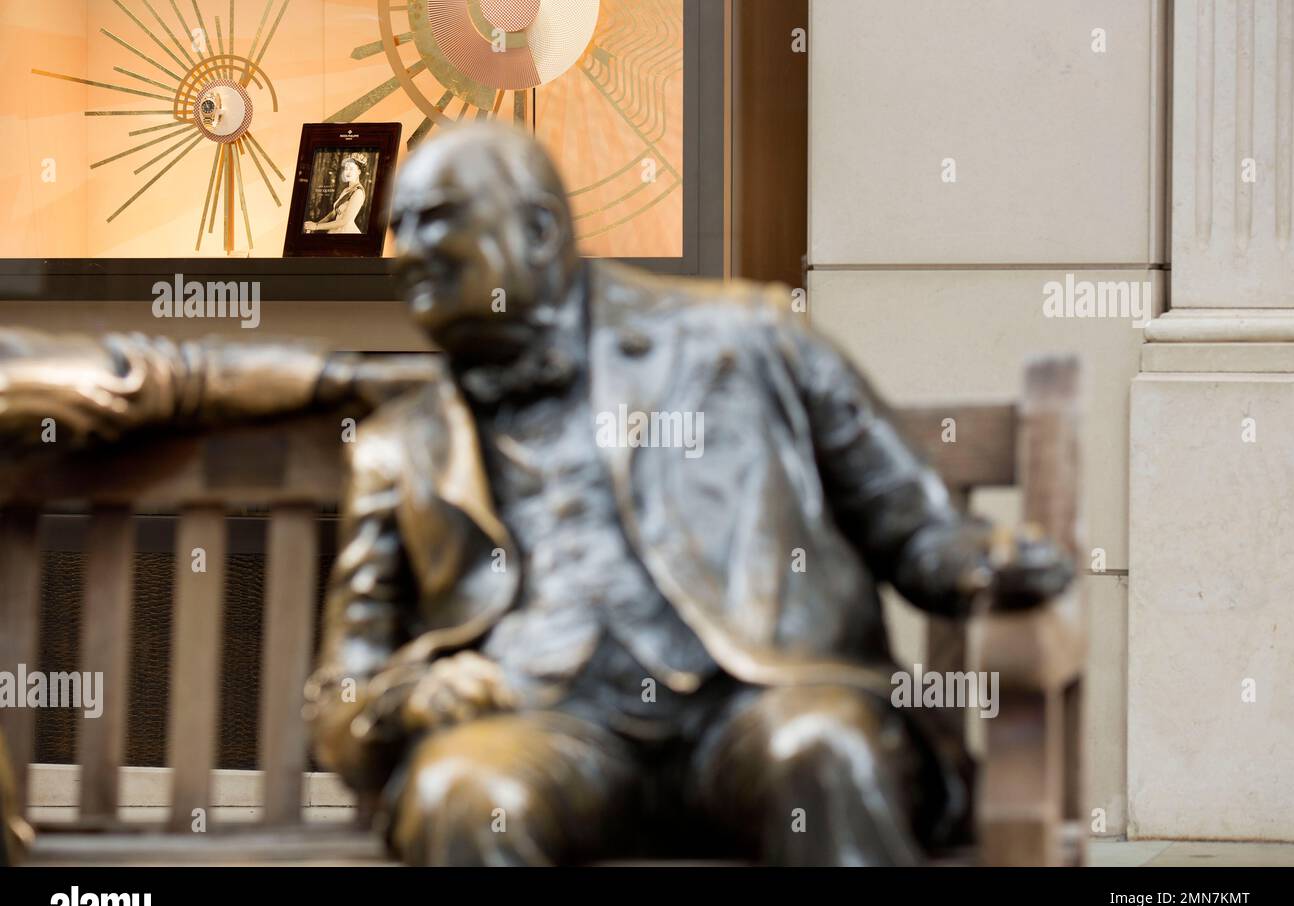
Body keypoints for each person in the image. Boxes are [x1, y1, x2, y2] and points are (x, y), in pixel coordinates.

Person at [0, 125, 1073, 866]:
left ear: (543, 237)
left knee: (820, 749)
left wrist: (986, 562)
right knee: (461, 790)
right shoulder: (402, 442)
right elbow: (344, 700)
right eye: (398, 227)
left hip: (753, 699)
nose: (402, 254)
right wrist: (421, 697)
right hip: (551, 725)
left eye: (434, 222)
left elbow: (912, 525)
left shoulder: (747, 341)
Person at [304, 155, 367, 234]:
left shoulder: (358, 192)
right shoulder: (346, 190)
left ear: (359, 171)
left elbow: (344, 221)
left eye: (351, 168)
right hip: (336, 229)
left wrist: (316, 227)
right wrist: (315, 225)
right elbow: (333, 213)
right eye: (346, 168)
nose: (348, 172)